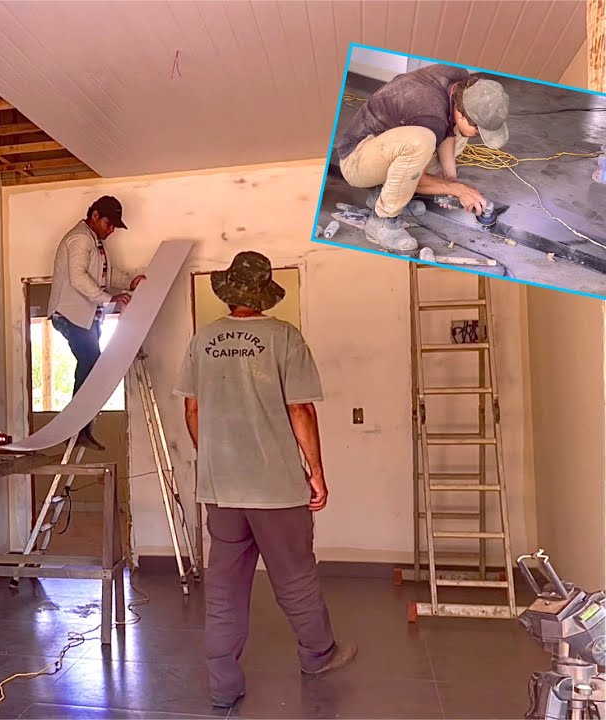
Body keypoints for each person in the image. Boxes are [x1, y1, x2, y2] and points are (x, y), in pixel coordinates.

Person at [176, 251, 357, 709]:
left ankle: (223, 686)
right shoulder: (284, 338)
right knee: (295, 577)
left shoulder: (203, 340)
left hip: (222, 490)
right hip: (277, 488)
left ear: (229, 293)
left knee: (224, 588)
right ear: (263, 294)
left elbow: (192, 409)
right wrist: (316, 472)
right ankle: (317, 655)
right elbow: (300, 409)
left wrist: (215, 459)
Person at [335, 65, 510, 254]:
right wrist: (459, 190)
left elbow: (448, 127)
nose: (480, 135)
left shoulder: (460, 82)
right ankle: (382, 221)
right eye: (479, 129)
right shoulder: (430, 115)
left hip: (389, 145)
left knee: (458, 136)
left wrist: (450, 182)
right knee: (421, 142)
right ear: (461, 113)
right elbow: (418, 177)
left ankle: (390, 195)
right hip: (357, 158)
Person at [47, 195, 145, 451]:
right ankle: (76, 426)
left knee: (92, 364)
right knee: (91, 361)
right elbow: (78, 278)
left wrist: (129, 282)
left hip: (86, 316)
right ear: (94, 216)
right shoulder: (79, 239)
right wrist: (109, 299)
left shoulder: (94, 241)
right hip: (70, 315)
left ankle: (81, 427)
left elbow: (104, 274)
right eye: (108, 223)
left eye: (114, 226)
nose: (111, 230)